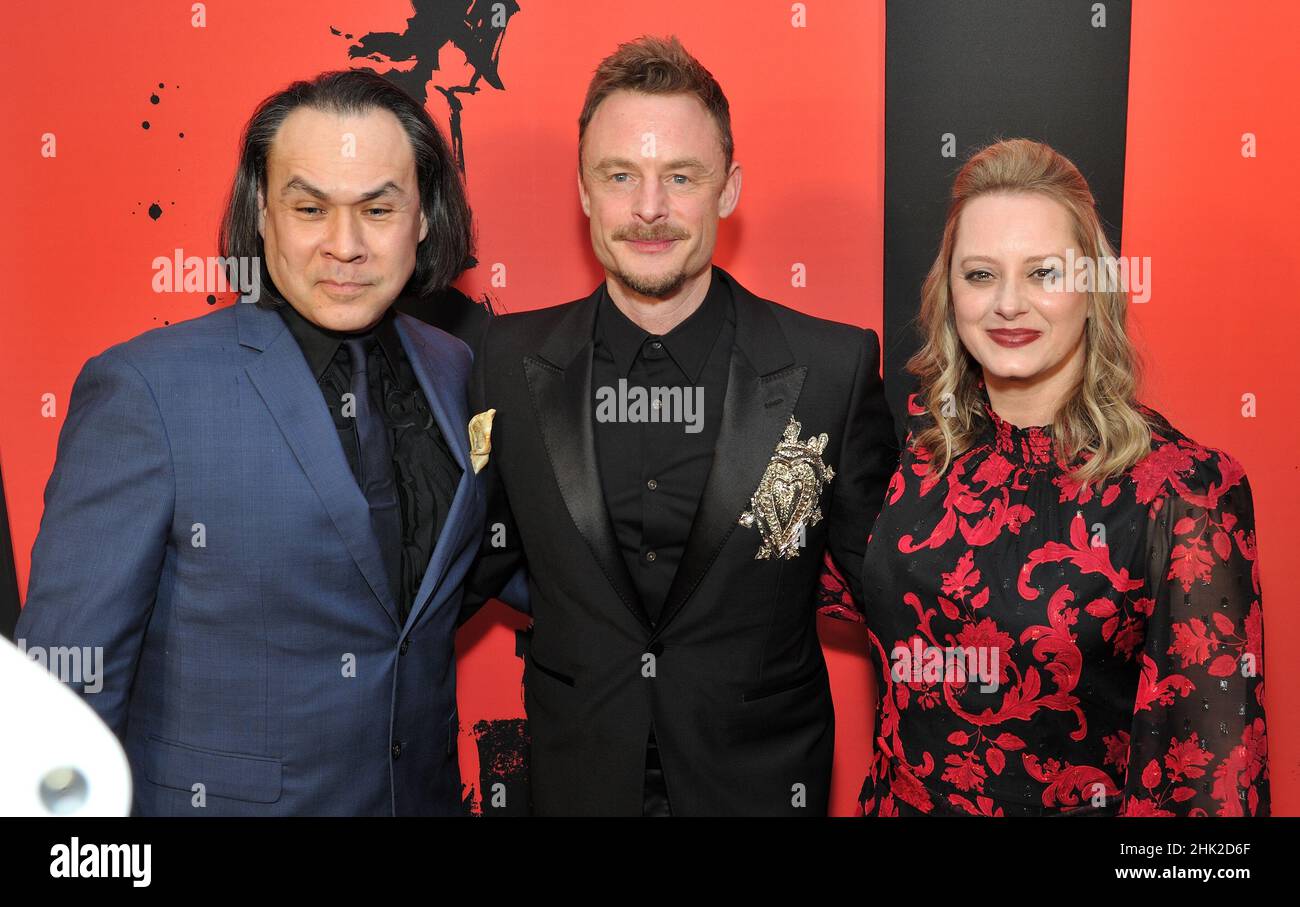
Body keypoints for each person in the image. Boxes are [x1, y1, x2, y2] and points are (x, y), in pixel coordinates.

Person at [16, 70, 484, 815]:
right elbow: (64, 692)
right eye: (309, 208)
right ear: (262, 214)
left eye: (377, 207)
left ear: (423, 217)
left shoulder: (455, 369)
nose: (345, 244)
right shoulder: (148, 390)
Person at [463, 35, 898, 816]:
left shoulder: (831, 368)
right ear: (584, 191)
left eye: (682, 177)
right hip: (574, 780)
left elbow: (899, 592)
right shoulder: (502, 360)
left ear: (728, 190)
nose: (651, 208)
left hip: (763, 784)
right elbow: (461, 569)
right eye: (621, 175)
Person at [857, 138, 1268, 816]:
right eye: (981, 274)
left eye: (1044, 273)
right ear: (948, 291)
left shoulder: (1184, 491)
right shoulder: (913, 449)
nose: (1008, 304)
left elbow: (1210, 790)